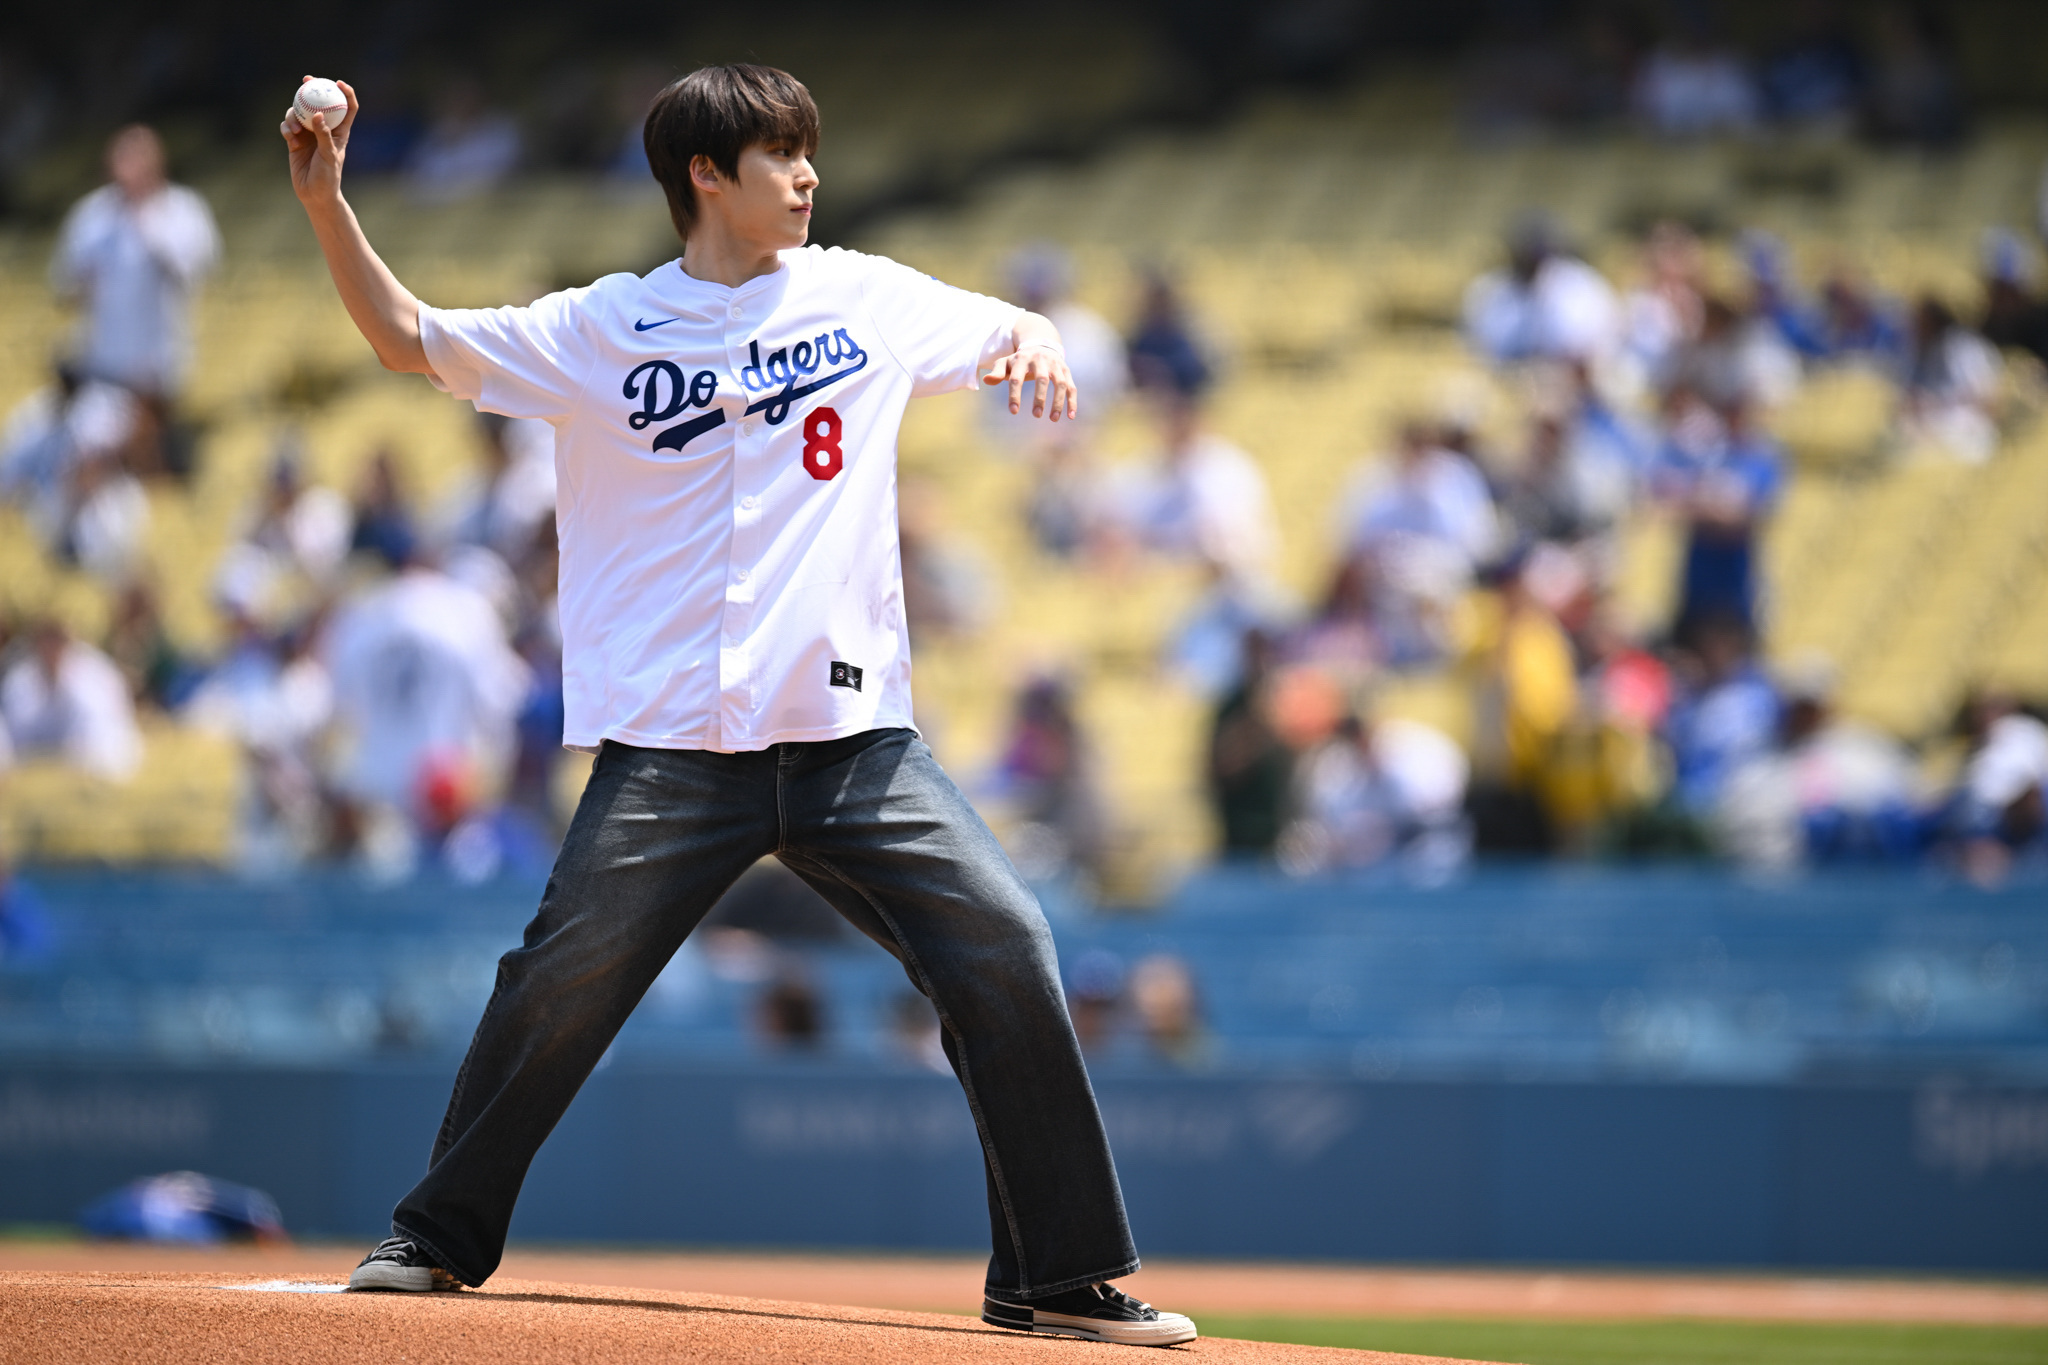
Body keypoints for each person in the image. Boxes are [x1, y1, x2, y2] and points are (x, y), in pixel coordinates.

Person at [283, 66, 1194, 1346]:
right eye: (779, 154)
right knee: (559, 982)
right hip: (672, 753)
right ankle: (433, 1238)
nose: (807, 173)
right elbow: (408, 339)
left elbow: (1001, 327)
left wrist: (1032, 340)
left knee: (1006, 945)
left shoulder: (865, 296)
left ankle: (1053, 1276)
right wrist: (327, 205)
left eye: (807, 150)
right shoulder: (601, 327)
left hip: (850, 746)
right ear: (706, 176)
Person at [50, 125, 220, 398]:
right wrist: (81, 286)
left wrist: (148, 228)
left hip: (160, 365)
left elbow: (198, 272)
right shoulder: (91, 214)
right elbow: (65, 288)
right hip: (100, 363)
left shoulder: (183, 209)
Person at [0, 618, 142, 780]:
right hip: (38, 760)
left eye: (55, 643)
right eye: (45, 644)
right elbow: (16, 729)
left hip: (102, 754)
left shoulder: (93, 672)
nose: (50, 651)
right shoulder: (21, 678)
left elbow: (95, 725)